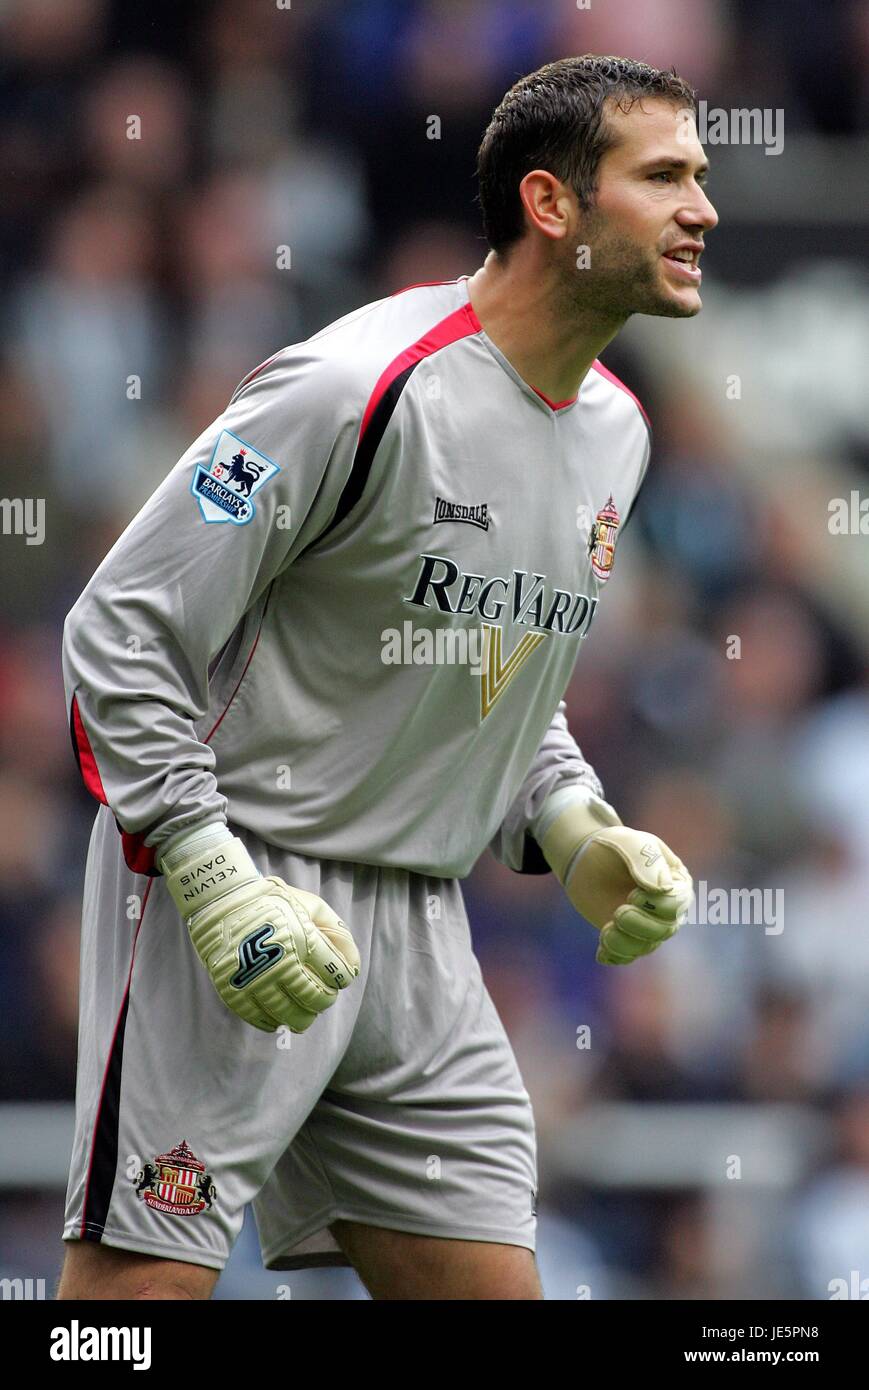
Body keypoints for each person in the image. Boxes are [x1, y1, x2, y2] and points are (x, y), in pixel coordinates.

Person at [57, 53, 715, 1301]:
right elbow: (119, 627)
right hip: (232, 884)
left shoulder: (619, 431)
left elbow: (498, 674)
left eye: (701, 175)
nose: (703, 208)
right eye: (665, 176)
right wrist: (206, 874)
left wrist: (574, 828)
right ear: (550, 203)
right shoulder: (352, 385)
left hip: (418, 927)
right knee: (129, 1312)